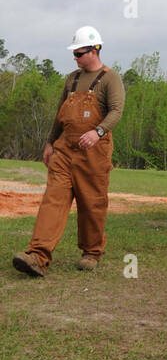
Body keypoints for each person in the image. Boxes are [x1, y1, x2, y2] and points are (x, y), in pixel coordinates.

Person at [12, 27, 126, 278]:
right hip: (64, 151)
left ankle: (91, 252)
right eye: (74, 53)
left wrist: (97, 132)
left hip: (94, 152)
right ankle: (38, 256)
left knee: (92, 204)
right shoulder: (72, 78)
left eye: (79, 53)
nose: (75, 57)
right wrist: (50, 142)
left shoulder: (110, 78)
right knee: (53, 200)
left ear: (95, 50)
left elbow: (116, 111)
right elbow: (59, 114)